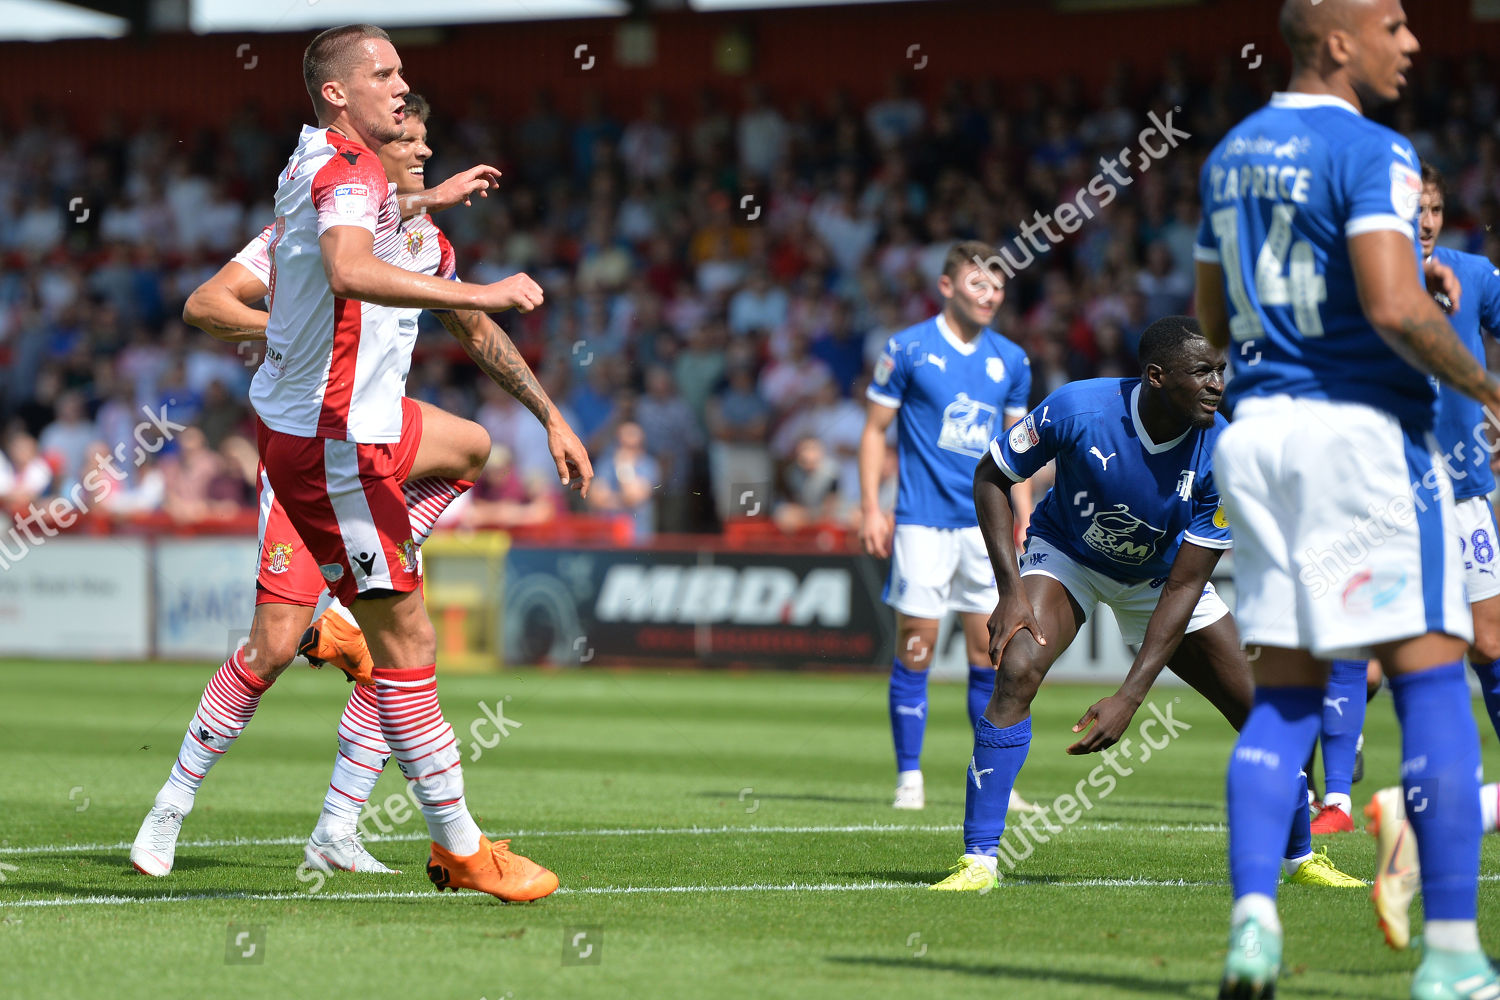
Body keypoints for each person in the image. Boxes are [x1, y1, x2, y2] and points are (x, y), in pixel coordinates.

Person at [136, 27, 586, 904]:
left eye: (424, 138)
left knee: (471, 448)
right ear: (346, 102)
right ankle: (173, 807)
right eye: (389, 88)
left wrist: (550, 413)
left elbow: (465, 324)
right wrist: (294, 330)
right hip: (327, 442)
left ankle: (344, 824)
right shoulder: (334, 188)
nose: (414, 133)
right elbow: (244, 292)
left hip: (364, 437)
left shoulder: (392, 210)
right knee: (302, 645)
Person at [1196, 3, 1500, 995]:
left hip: (1258, 441)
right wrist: (1489, 390)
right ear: (1337, 42)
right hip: (1361, 441)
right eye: (1393, 24)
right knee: (1430, 685)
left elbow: (1211, 320)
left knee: (1287, 694)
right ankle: (1451, 956)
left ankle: (1252, 925)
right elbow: (1393, 304)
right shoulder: (1375, 149)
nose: (1411, 42)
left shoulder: (1229, 156)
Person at [930, 317, 1358, 894]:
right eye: (1202, 371)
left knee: (1260, 710)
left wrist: (1129, 697)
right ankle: (979, 860)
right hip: (1068, 554)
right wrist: (1010, 591)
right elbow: (991, 476)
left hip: (1162, 577)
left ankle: (1300, 858)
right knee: (1018, 667)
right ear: (1156, 376)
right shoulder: (1078, 408)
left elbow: (1185, 587)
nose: (1217, 384)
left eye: (1221, 371)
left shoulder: (1227, 453)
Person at [859, 240, 1034, 812]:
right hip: (922, 522)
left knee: (991, 654)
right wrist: (871, 507)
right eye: (979, 283)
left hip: (987, 527)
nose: (991, 295)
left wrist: (1025, 514)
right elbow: (873, 431)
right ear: (947, 286)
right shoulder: (906, 348)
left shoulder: (1012, 359)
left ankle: (994, 778)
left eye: (998, 286)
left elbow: (1020, 450)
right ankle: (910, 776)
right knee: (917, 647)